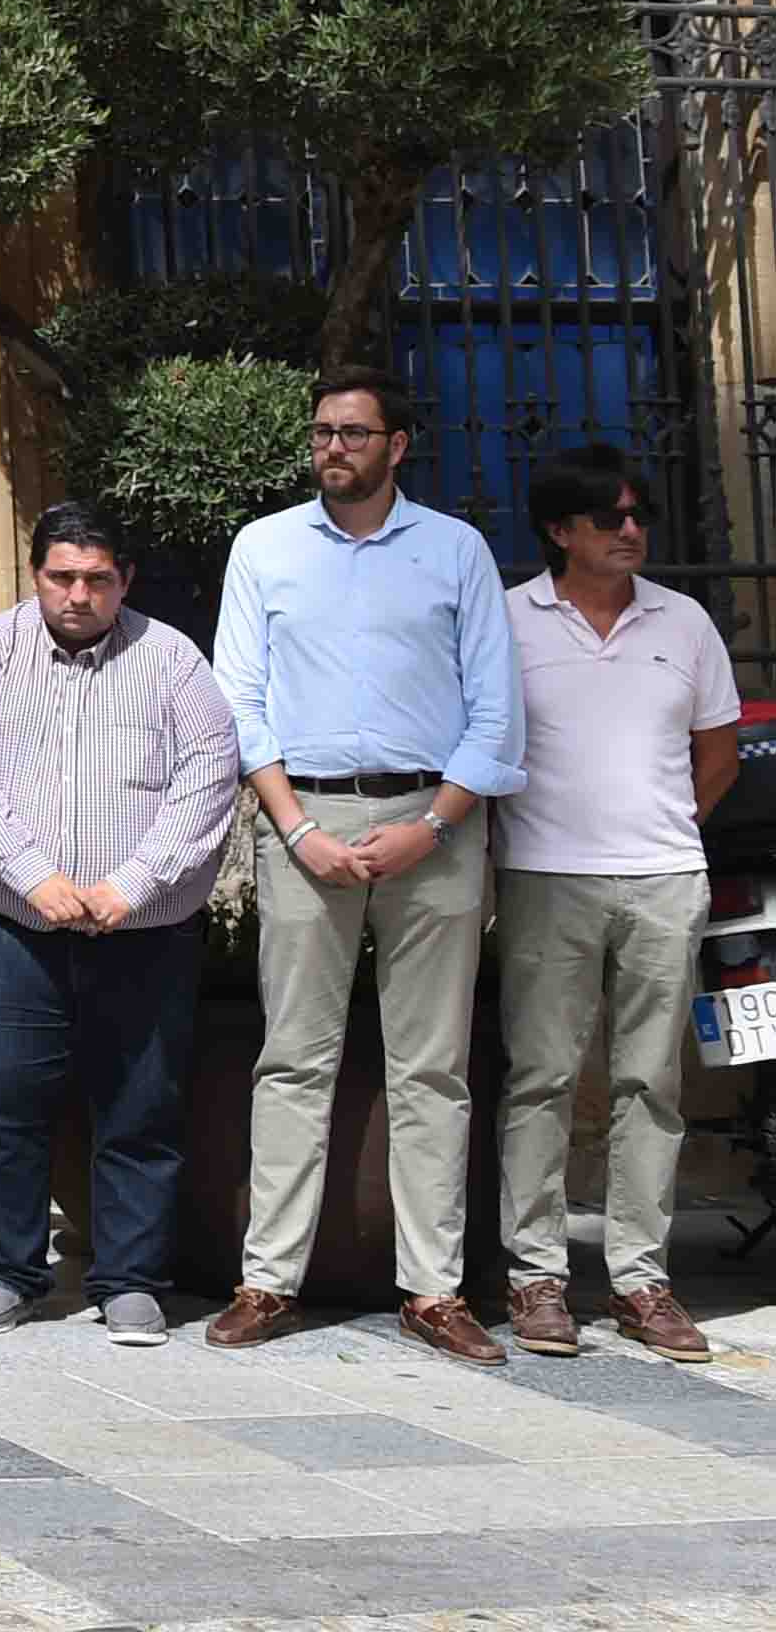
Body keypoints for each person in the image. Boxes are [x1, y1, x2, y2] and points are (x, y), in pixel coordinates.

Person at [210, 368, 523, 1362]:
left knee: (430, 1064)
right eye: (319, 433)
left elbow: (496, 711)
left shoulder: (453, 552)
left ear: (396, 445)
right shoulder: (262, 549)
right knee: (291, 1056)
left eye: (351, 432)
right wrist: (296, 829)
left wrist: (429, 827)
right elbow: (236, 704)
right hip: (300, 817)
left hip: (430, 818)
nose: (330, 448)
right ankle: (265, 1281)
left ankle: (432, 1291)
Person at [0, 501, 237, 1345]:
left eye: (97, 579)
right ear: (36, 575)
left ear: (123, 581)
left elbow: (208, 776)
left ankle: (131, 1279)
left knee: (140, 1108)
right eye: (62, 576)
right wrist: (34, 878)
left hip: (141, 932)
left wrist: (133, 881)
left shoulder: (171, 660)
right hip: (3, 929)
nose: (77, 594)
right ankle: (7, 1272)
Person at [493, 445, 740, 1365]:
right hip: (544, 876)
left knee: (651, 1084)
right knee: (541, 1078)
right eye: (609, 519)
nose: (631, 531)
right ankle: (536, 1275)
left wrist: (666, 831)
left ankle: (641, 1280)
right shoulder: (507, 620)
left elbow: (714, 752)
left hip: (664, 878)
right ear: (559, 532)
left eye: (638, 517)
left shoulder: (684, 623)